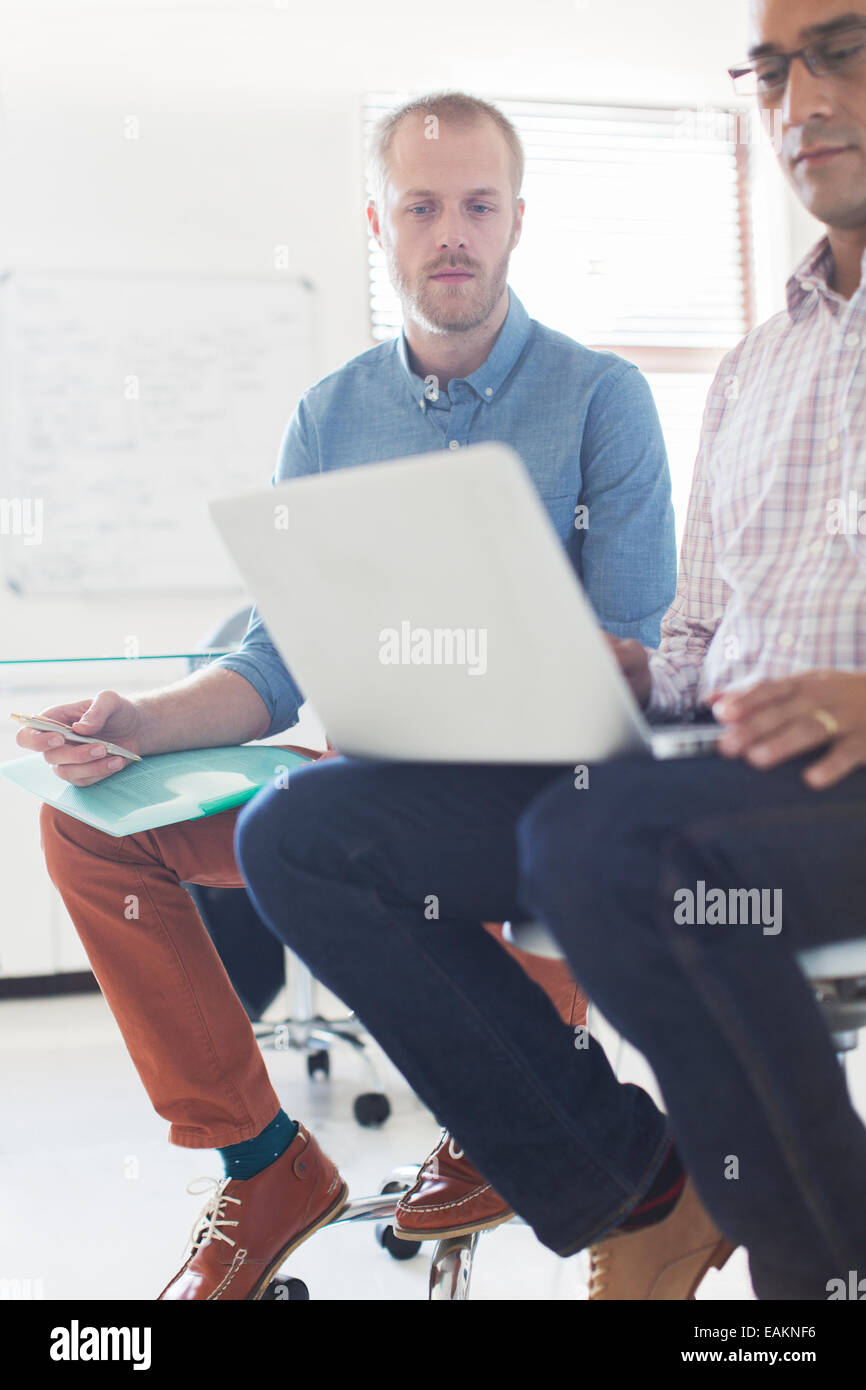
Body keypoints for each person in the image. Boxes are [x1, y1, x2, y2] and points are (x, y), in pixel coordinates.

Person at [235, 0, 866, 1300]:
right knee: (300, 831)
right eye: (768, 73)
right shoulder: (754, 370)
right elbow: (697, 638)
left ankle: (827, 1271)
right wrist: (625, 671)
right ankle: (627, 1179)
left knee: (611, 837)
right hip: (713, 763)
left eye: (841, 52)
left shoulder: (599, 394)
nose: (797, 105)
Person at [26, 92, 676, 1299]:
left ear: (516, 221)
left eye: (477, 206)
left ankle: (506, 1119)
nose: (451, 234)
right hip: (354, 786)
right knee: (86, 828)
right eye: (421, 206)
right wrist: (144, 722)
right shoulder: (328, 417)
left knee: (550, 810)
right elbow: (276, 662)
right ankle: (263, 1160)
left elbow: (629, 658)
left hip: (533, 794)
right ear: (376, 222)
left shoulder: (601, 399)